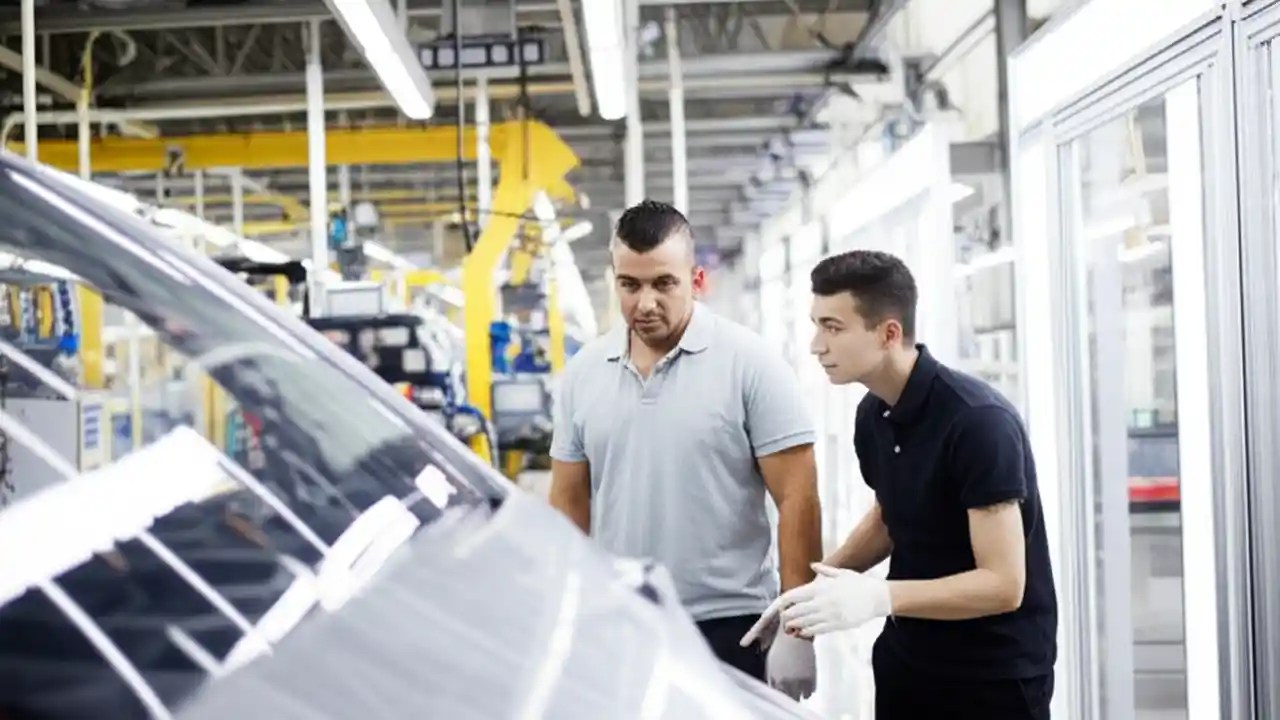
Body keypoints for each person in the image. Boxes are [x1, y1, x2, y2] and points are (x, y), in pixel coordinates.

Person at [741, 250, 1057, 718]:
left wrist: (880, 596)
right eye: (816, 325)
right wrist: (808, 594)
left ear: (889, 333)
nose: (816, 345)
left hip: (991, 678)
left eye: (833, 327)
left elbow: (1004, 583)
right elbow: (892, 514)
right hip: (909, 661)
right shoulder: (873, 414)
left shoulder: (978, 424)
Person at [548, 200, 824, 699]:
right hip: (624, 618)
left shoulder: (751, 364)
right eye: (629, 285)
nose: (644, 303)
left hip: (733, 626)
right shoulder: (582, 375)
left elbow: (798, 499)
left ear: (696, 280)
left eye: (663, 284)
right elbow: (568, 503)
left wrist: (796, 627)